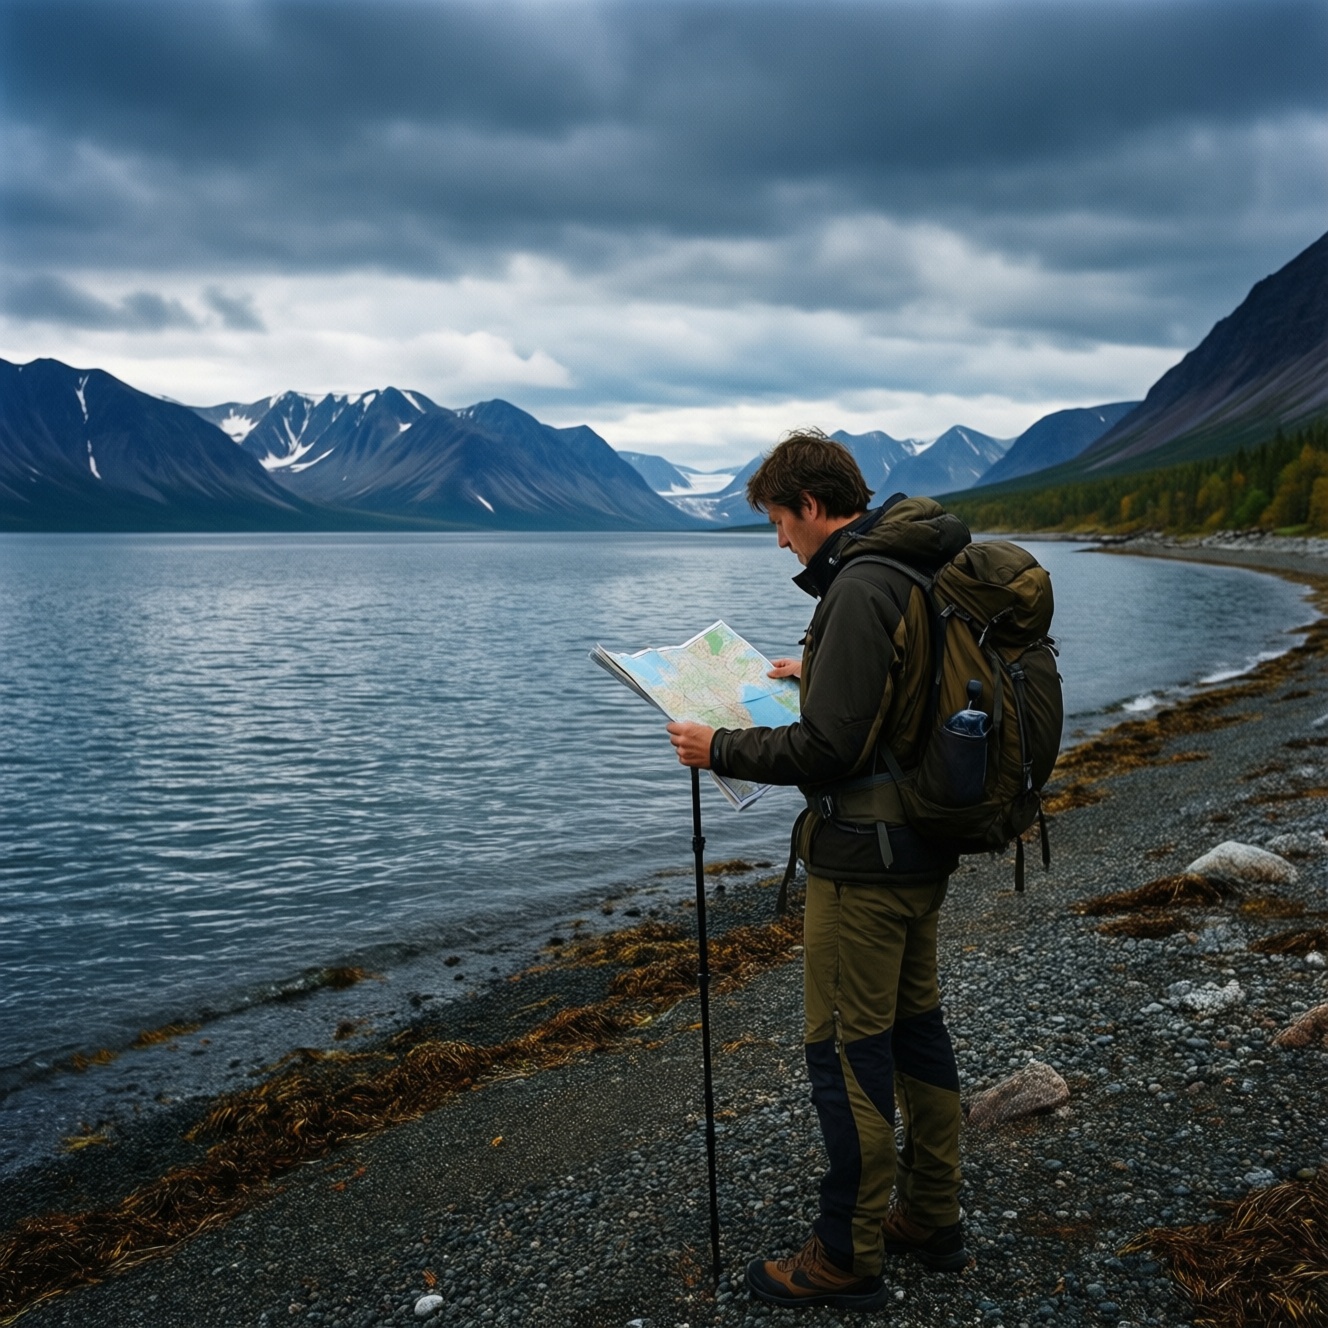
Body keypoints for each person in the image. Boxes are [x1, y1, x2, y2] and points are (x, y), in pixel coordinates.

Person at [666, 431, 971, 1313]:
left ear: (809, 505)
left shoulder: (859, 582)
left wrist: (715, 743)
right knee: (915, 1031)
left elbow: (828, 747)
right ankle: (932, 1214)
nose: (778, 541)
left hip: (863, 866)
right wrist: (820, 668)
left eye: (776, 521)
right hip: (920, 849)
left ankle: (847, 1254)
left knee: (845, 1051)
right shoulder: (912, 566)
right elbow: (899, 693)